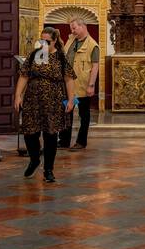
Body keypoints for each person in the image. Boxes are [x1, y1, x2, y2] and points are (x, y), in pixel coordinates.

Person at [13, 27, 75, 183]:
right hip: (33, 99)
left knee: (50, 134)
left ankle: (48, 169)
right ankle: (34, 159)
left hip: (53, 100)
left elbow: (69, 79)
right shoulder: (35, 55)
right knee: (30, 132)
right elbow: (24, 75)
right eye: (41, 40)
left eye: (47, 41)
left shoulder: (61, 57)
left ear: (54, 41)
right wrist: (18, 95)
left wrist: (71, 100)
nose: (43, 44)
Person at [60, 19, 100, 150]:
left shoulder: (92, 45)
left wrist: (91, 85)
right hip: (67, 84)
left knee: (84, 114)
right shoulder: (71, 40)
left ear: (83, 27)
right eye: (71, 28)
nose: (72, 31)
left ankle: (81, 142)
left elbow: (95, 67)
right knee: (66, 112)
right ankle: (64, 140)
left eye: (74, 28)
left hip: (82, 84)